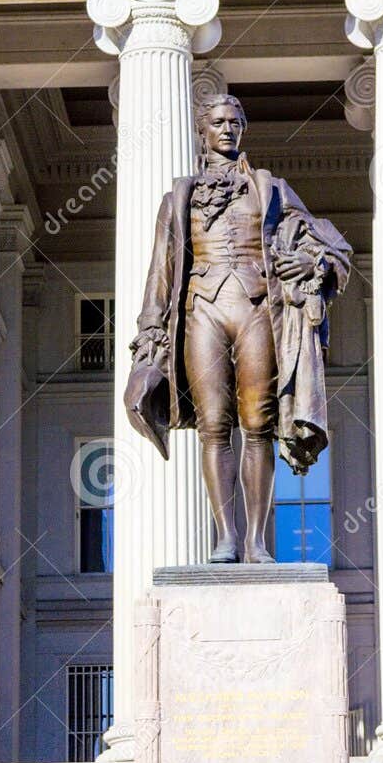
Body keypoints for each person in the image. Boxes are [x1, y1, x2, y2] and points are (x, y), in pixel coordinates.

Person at [125, 94, 351, 563]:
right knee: (213, 426)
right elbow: (160, 273)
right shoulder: (177, 198)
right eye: (218, 122)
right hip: (200, 310)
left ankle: (255, 541)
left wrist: (314, 265)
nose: (227, 130)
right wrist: (149, 340)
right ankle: (226, 536)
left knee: (257, 424)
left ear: (243, 128)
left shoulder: (271, 189)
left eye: (234, 122)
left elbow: (323, 241)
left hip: (256, 306)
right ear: (202, 131)